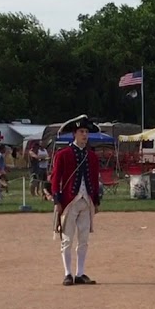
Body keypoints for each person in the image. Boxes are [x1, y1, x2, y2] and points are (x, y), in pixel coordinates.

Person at [50, 115, 103, 286]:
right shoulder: (63, 154)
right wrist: (57, 200)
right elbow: (55, 178)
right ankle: (68, 273)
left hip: (86, 201)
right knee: (67, 239)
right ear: (74, 134)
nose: (84, 135)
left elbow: (94, 179)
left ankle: (80, 273)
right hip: (69, 202)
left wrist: (96, 201)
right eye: (81, 131)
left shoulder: (92, 156)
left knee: (84, 240)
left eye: (86, 132)